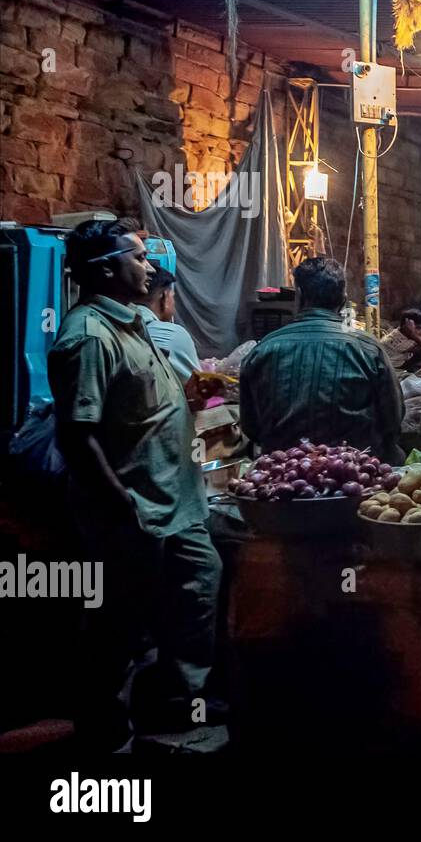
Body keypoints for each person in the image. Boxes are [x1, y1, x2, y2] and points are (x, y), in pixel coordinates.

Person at [49, 218, 221, 750]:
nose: (149, 267)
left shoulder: (131, 322)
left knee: (199, 583)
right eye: (139, 257)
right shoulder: (86, 337)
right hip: (136, 507)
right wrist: (121, 505)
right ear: (106, 269)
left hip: (177, 501)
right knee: (119, 622)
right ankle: (103, 733)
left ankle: (172, 700)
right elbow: (79, 436)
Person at [240, 257, 405, 464]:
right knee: (396, 454)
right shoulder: (367, 348)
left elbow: (251, 427)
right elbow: (393, 421)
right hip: (354, 471)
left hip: (280, 474)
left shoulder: (263, 349)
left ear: (298, 296)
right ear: (344, 299)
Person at [138, 267, 202, 382]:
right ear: (164, 296)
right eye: (173, 296)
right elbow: (197, 386)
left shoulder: (113, 328)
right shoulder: (174, 335)